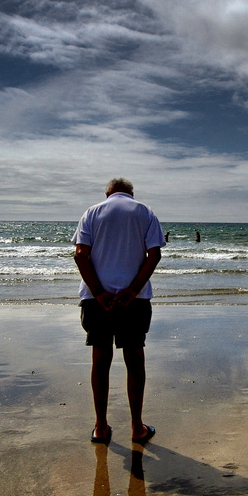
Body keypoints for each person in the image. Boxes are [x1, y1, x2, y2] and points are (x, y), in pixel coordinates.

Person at [73, 178, 163, 445]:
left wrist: (99, 292)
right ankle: (137, 427)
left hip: (96, 299)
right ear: (131, 194)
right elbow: (154, 254)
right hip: (133, 301)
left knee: (101, 360)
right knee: (134, 361)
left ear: (107, 194)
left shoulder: (92, 212)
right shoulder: (145, 212)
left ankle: (101, 428)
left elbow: (80, 254)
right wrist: (133, 290)